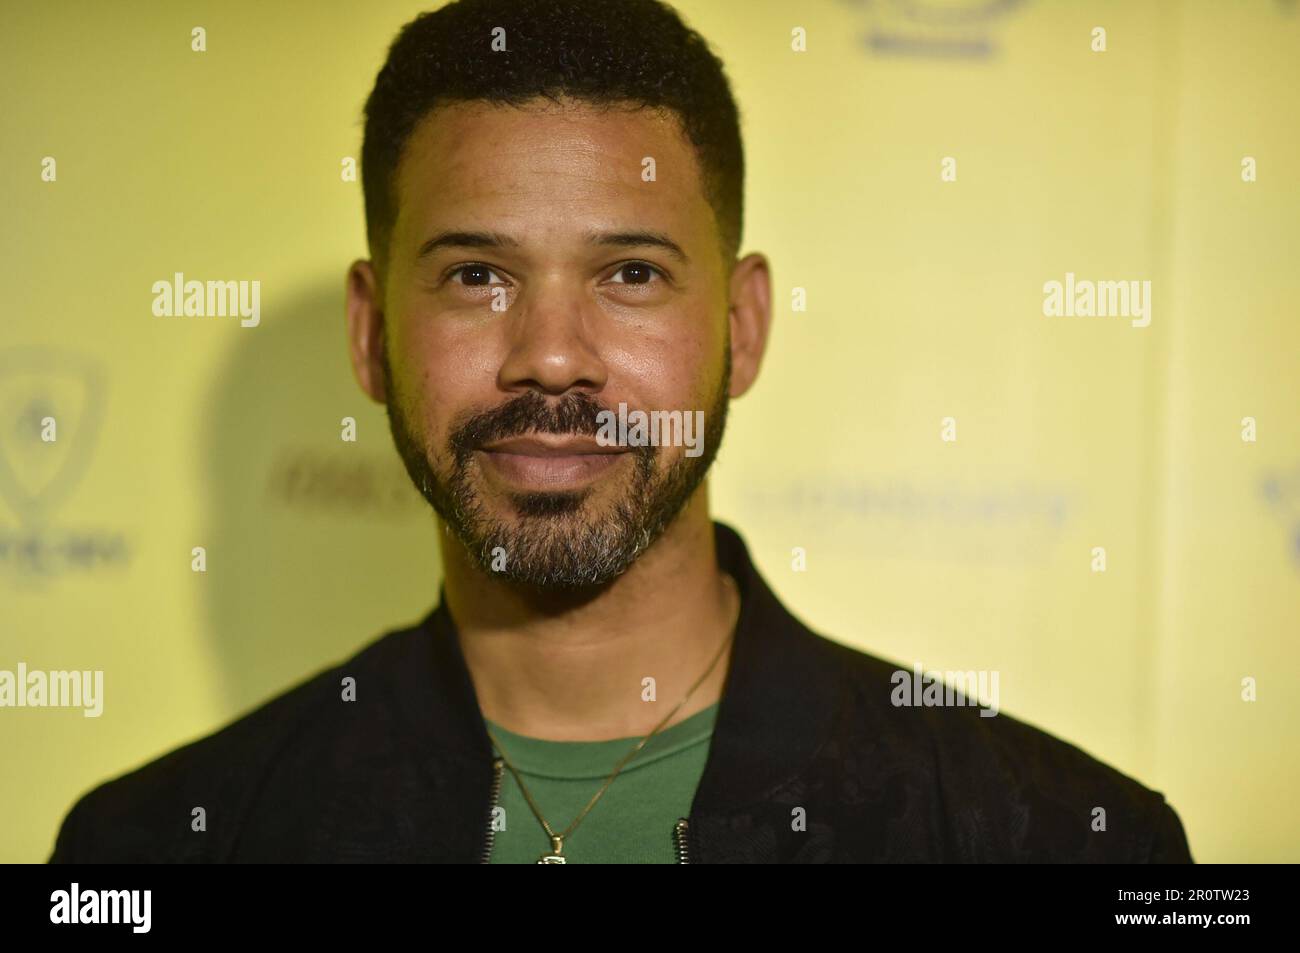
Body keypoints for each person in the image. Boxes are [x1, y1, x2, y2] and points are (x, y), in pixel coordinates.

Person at [49, 0, 1192, 863]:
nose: (551, 354)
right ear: (370, 332)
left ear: (741, 328)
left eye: (631, 272)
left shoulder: (1054, 836)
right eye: (475, 273)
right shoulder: (152, 848)